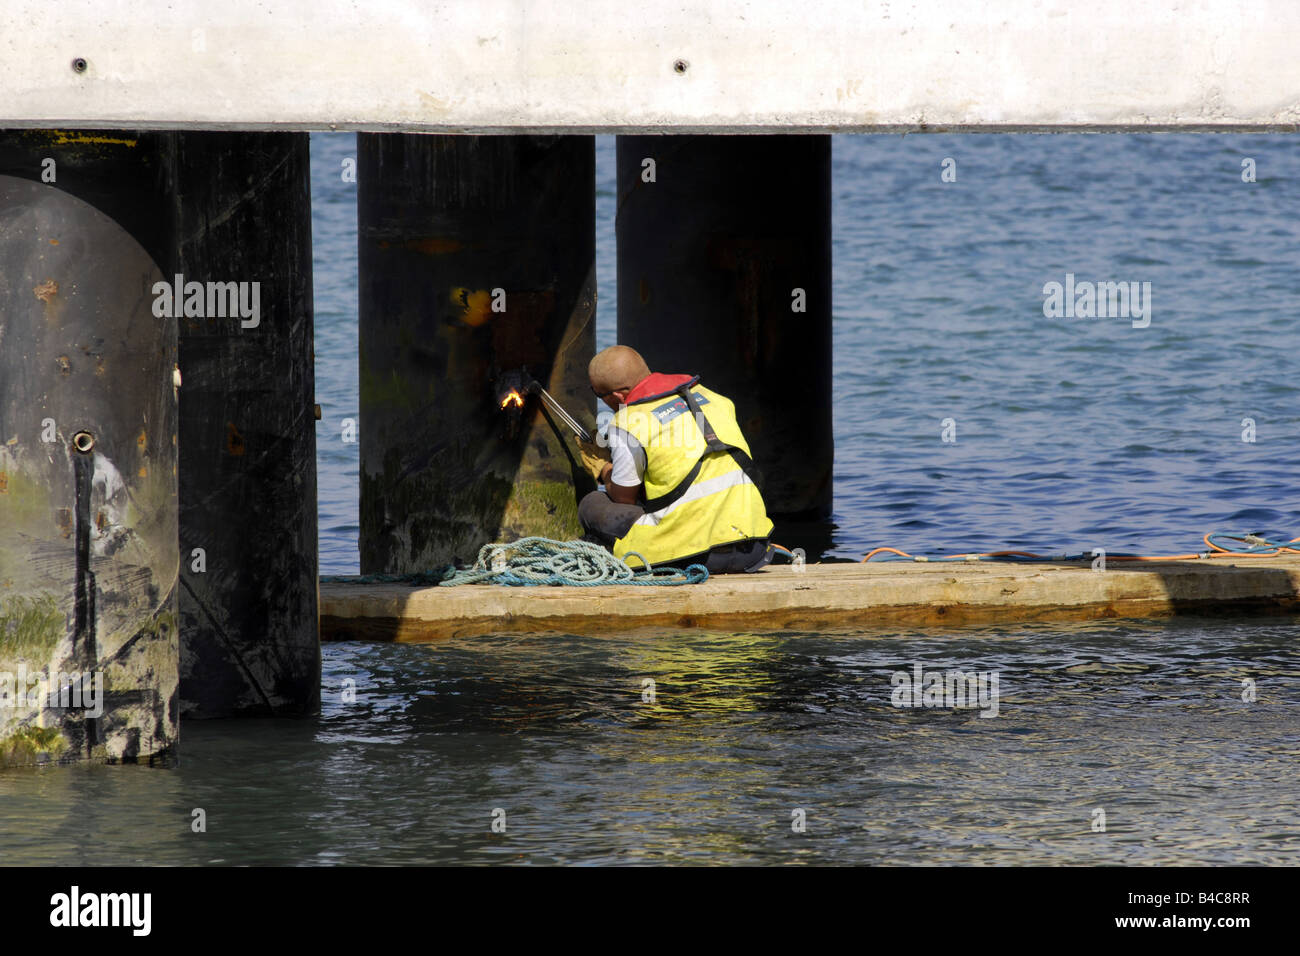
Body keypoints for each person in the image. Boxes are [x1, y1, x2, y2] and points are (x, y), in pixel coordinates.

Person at [575, 345, 773, 573]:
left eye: (600, 396)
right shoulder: (716, 399)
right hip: (753, 548)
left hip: (691, 555)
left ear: (618, 396)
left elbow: (624, 499)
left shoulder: (628, 423)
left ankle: (615, 553)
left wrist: (602, 467)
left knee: (592, 505)